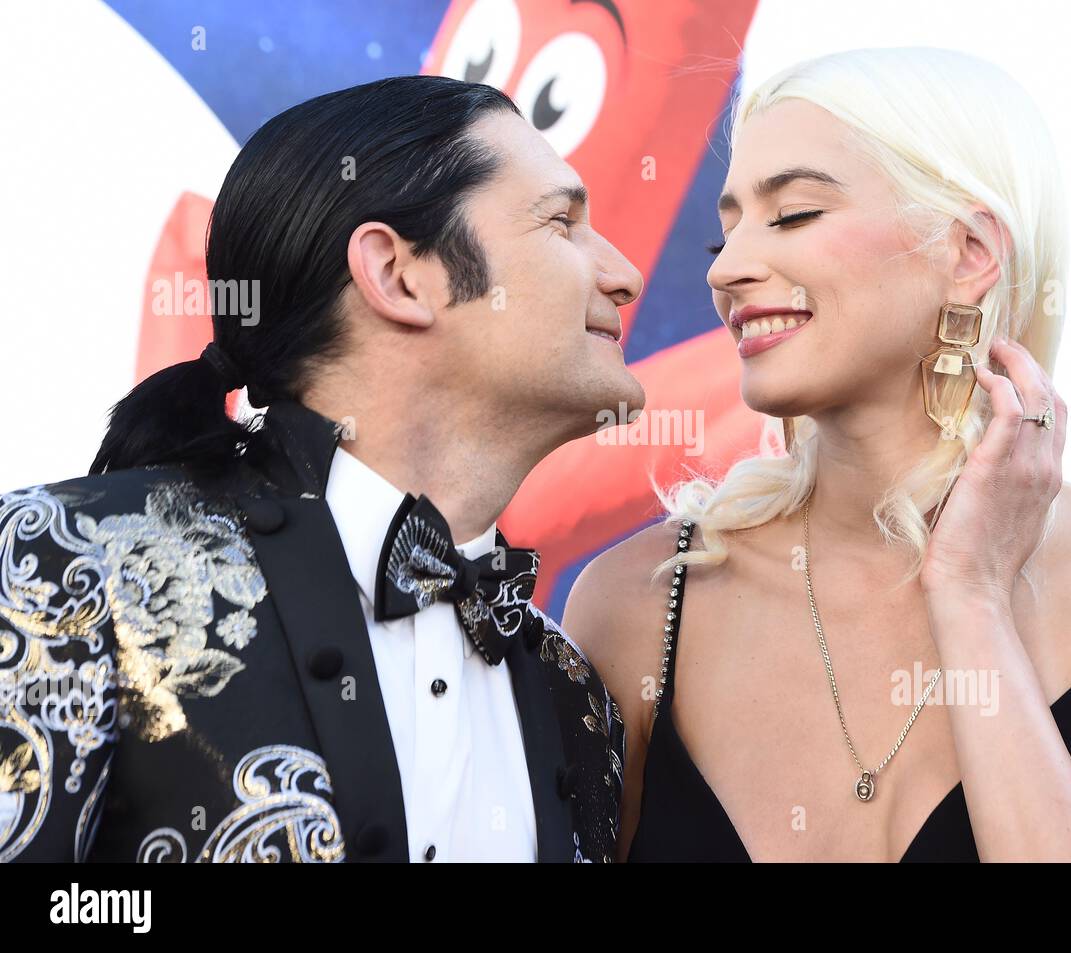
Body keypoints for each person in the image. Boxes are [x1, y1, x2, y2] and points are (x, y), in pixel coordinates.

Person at [562, 48, 1071, 862]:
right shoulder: (636, 599)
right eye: (725, 232)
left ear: (969, 252)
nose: (728, 269)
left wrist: (970, 596)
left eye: (792, 215)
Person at [0, 75, 643, 863]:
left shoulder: (571, 687)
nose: (625, 274)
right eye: (562, 223)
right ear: (398, 274)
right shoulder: (62, 559)